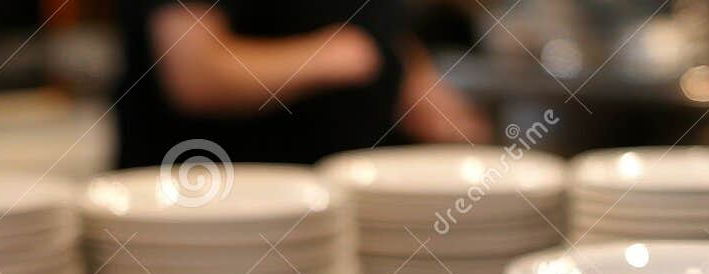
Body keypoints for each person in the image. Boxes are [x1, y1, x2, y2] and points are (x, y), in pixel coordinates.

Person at [114, 1, 490, 169]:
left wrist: (427, 95)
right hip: (217, 212)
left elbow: (384, 29)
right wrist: (332, 55)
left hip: (345, 210)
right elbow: (196, 76)